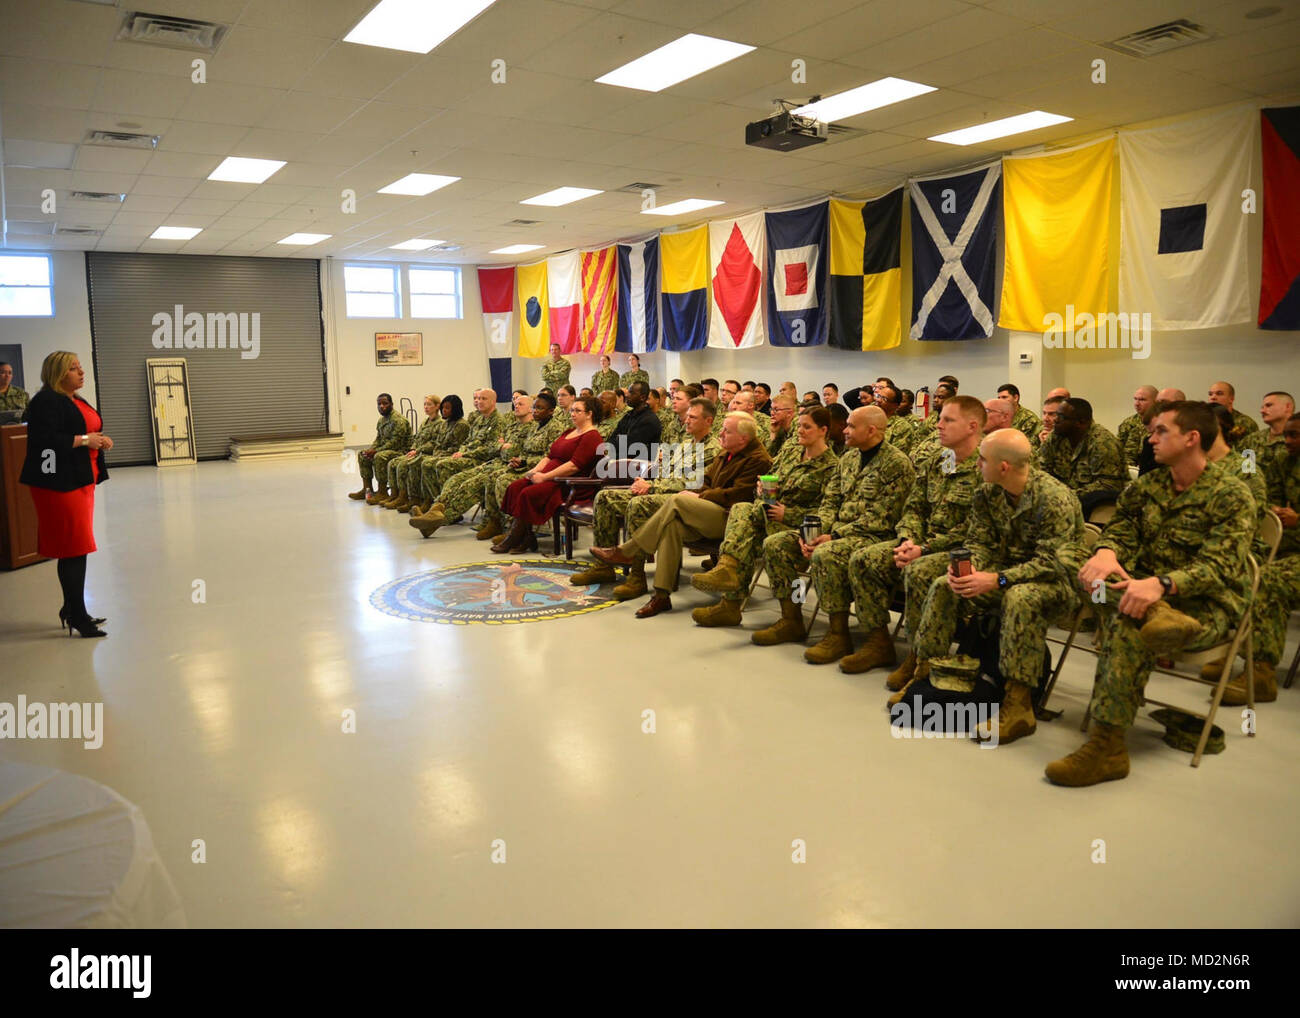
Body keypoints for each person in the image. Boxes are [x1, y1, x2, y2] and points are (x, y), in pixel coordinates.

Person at [1057, 401, 1254, 785]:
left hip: (1202, 607)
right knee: (1068, 552)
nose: (1151, 438)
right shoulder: (1149, 485)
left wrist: (1160, 585)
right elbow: (1122, 530)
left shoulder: (1232, 495)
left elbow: (1219, 569)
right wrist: (1107, 552)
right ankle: (1155, 613)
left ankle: (1108, 748)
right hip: (1138, 589)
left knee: (1125, 625)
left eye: (1161, 430)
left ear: (1192, 438)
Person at [743, 406, 913, 654]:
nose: (844, 430)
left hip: (871, 536)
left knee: (826, 554)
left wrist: (832, 537)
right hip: (833, 533)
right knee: (777, 545)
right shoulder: (849, 458)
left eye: (852, 426)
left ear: (872, 430)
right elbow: (829, 502)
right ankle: (793, 616)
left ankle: (839, 632)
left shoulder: (896, 464)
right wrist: (812, 532)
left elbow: (882, 518)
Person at [845, 396, 985, 682]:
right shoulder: (940, 459)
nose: (938, 425)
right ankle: (878, 642)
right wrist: (908, 539)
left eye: (948, 420)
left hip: (963, 551)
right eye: (940, 418)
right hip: (920, 544)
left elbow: (975, 529)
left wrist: (923, 549)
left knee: (919, 572)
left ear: (972, 426)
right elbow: (914, 506)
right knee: (864, 559)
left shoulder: (987, 465)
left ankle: (920, 658)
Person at [590, 413, 771, 617]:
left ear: (743, 438)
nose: (721, 433)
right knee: (672, 526)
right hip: (711, 508)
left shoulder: (758, 459)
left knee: (676, 500)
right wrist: (697, 493)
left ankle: (628, 550)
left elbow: (737, 494)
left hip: (732, 518)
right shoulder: (727, 452)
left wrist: (698, 495)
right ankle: (661, 595)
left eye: (727, 431)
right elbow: (707, 481)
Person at [690, 406, 840, 628]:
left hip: (796, 528)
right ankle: (728, 576)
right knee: (741, 509)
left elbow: (827, 511)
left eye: (806, 427)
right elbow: (770, 482)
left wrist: (788, 514)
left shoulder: (832, 467)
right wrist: (762, 491)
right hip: (769, 515)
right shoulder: (790, 452)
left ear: (823, 430)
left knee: (759, 540)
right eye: (798, 425)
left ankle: (787, 617)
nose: (800, 430)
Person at [570, 397, 722, 590]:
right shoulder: (684, 444)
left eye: (693, 417)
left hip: (684, 499)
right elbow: (665, 473)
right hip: (661, 491)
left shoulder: (712, 449)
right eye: (688, 416)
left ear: (708, 421)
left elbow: (692, 483)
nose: (687, 420)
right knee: (605, 497)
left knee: (638, 504)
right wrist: (645, 482)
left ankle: (636, 576)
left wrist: (651, 487)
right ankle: (603, 568)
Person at [19, 351, 111, 638]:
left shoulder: (75, 399)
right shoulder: (46, 401)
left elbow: (88, 428)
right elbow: (44, 441)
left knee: (76, 549)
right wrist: (85, 440)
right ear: (58, 374)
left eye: (80, 367)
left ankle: (72, 610)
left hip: (81, 480)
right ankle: (77, 616)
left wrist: (98, 440)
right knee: (74, 548)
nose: (81, 372)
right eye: (74, 368)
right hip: (60, 485)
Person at [412, 392, 535, 538]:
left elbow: (509, 454)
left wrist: (502, 448)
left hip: (507, 466)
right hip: (494, 463)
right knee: (457, 479)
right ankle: (435, 510)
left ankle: (435, 520)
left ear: (530, 409)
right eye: (515, 403)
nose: (516, 406)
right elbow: (494, 447)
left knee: (470, 486)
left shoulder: (530, 428)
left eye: (521, 404)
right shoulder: (511, 427)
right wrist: (501, 447)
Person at [495, 396, 605, 554]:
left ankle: (515, 537)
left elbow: (574, 466)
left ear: (589, 414)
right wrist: (535, 471)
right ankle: (527, 536)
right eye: (572, 410)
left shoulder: (592, 436)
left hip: (568, 484)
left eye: (577, 411)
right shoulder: (569, 431)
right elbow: (549, 456)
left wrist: (545, 477)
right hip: (550, 476)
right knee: (515, 487)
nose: (572, 414)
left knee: (528, 493)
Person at [475, 393, 568, 542]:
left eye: (540, 408)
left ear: (551, 411)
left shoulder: (556, 428)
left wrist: (525, 462)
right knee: (491, 477)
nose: (535, 411)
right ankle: (495, 521)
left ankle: (515, 528)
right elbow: (525, 450)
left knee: (504, 481)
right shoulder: (535, 426)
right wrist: (518, 460)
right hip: (525, 466)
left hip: (542, 470)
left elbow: (550, 457)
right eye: (534, 407)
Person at [1036, 397, 1128, 516]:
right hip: (1060, 502)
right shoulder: (1057, 436)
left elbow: (1108, 485)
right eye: (1056, 415)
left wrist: (1065, 494)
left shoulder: (1102, 443)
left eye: (1061, 417)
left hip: (1095, 507)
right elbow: (1041, 469)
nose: (1055, 420)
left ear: (1081, 422)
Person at [419, 390, 497, 504]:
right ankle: (433, 502)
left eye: (483, 399)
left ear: (493, 401)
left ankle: (443, 505)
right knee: (425, 463)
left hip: (481, 460)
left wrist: (463, 453)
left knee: (441, 465)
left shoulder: (496, 421)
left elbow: (490, 448)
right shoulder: (478, 420)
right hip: (465, 455)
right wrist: (462, 452)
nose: (479, 402)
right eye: (478, 399)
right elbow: (466, 442)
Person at [380, 394, 441, 511]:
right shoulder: (425, 422)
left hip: (428, 454)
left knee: (404, 465)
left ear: (437, 406)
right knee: (393, 463)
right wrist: (413, 449)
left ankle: (414, 498)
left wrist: (417, 451)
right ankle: (397, 495)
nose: (426, 407)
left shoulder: (440, 423)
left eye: (429, 404)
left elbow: (434, 443)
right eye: (424, 404)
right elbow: (417, 438)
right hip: (417, 452)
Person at [350, 393, 411, 502]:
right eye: (379, 404)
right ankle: (367, 489)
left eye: (385, 403)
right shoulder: (381, 420)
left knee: (379, 456)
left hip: (400, 451)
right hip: (387, 449)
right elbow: (379, 438)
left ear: (391, 404)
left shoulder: (398, 420)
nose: (382, 406)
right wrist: (370, 450)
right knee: (362, 454)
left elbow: (395, 442)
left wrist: (376, 451)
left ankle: (382, 492)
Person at [1117, 385, 1157, 466]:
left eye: (1142, 400)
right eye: (1135, 399)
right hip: (1128, 469)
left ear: (1155, 401)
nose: (1137, 404)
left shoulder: (1160, 423)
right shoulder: (1128, 422)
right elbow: (1117, 449)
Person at [996, 383, 1041, 449]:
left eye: (1004, 397)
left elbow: (1028, 447)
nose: (1000, 401)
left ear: (1015, 398)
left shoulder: (1029, 419)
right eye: (999, 398)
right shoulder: (999, 417)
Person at [766, 393, 798, 458]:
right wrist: (773, 433)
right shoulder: (779, 426)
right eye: (771, 409)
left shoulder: (798, 426)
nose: (772, 413)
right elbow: (768, 456)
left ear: (789, 413)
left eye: (776, 410)